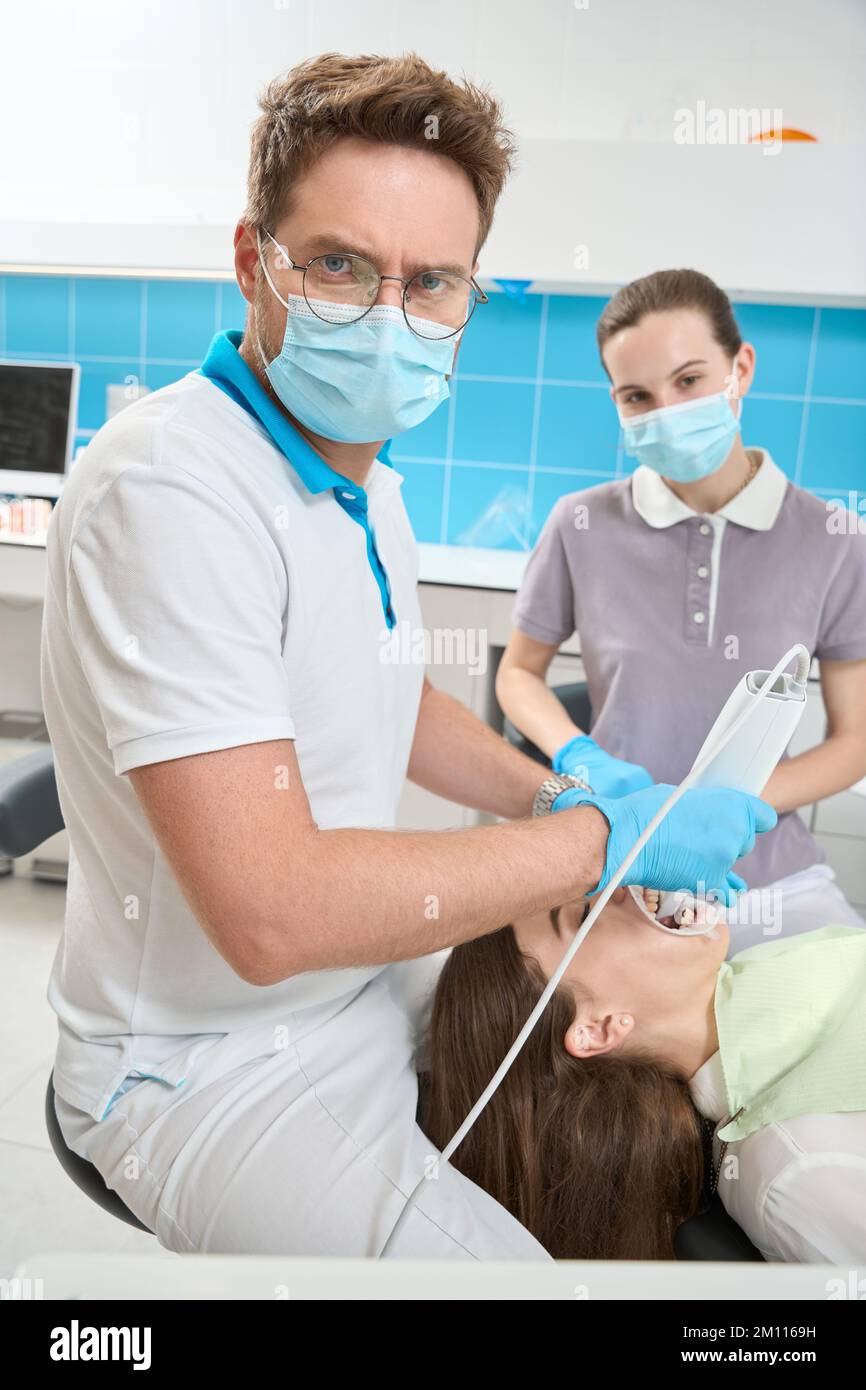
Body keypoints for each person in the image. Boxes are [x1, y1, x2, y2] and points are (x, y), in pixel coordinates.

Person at [41, 56, 773, 1260]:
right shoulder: (173, 485)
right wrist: (607, 839)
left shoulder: (359, 477)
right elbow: (269, 913)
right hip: (203, 1066)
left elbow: (388, 692)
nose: (387, 313)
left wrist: (561, 784)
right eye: (338, 265)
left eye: (428, 281)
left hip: (364, 987)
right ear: (251, 259)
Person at [497, 268, 866, 938]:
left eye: (689, 380)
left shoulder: (834, 540)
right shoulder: (580, 524)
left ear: (740, 369)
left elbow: (856, 741)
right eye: (637, 395)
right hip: (610, 864)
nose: (666, 409)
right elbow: (518, 674)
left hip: (766, 877)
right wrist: (581, 758)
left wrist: (730, 805)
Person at [418, 886, 866, 1264]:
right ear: (597, 1029)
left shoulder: (771, 975)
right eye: (590, 912)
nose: (634, 891)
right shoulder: (795, 1167)